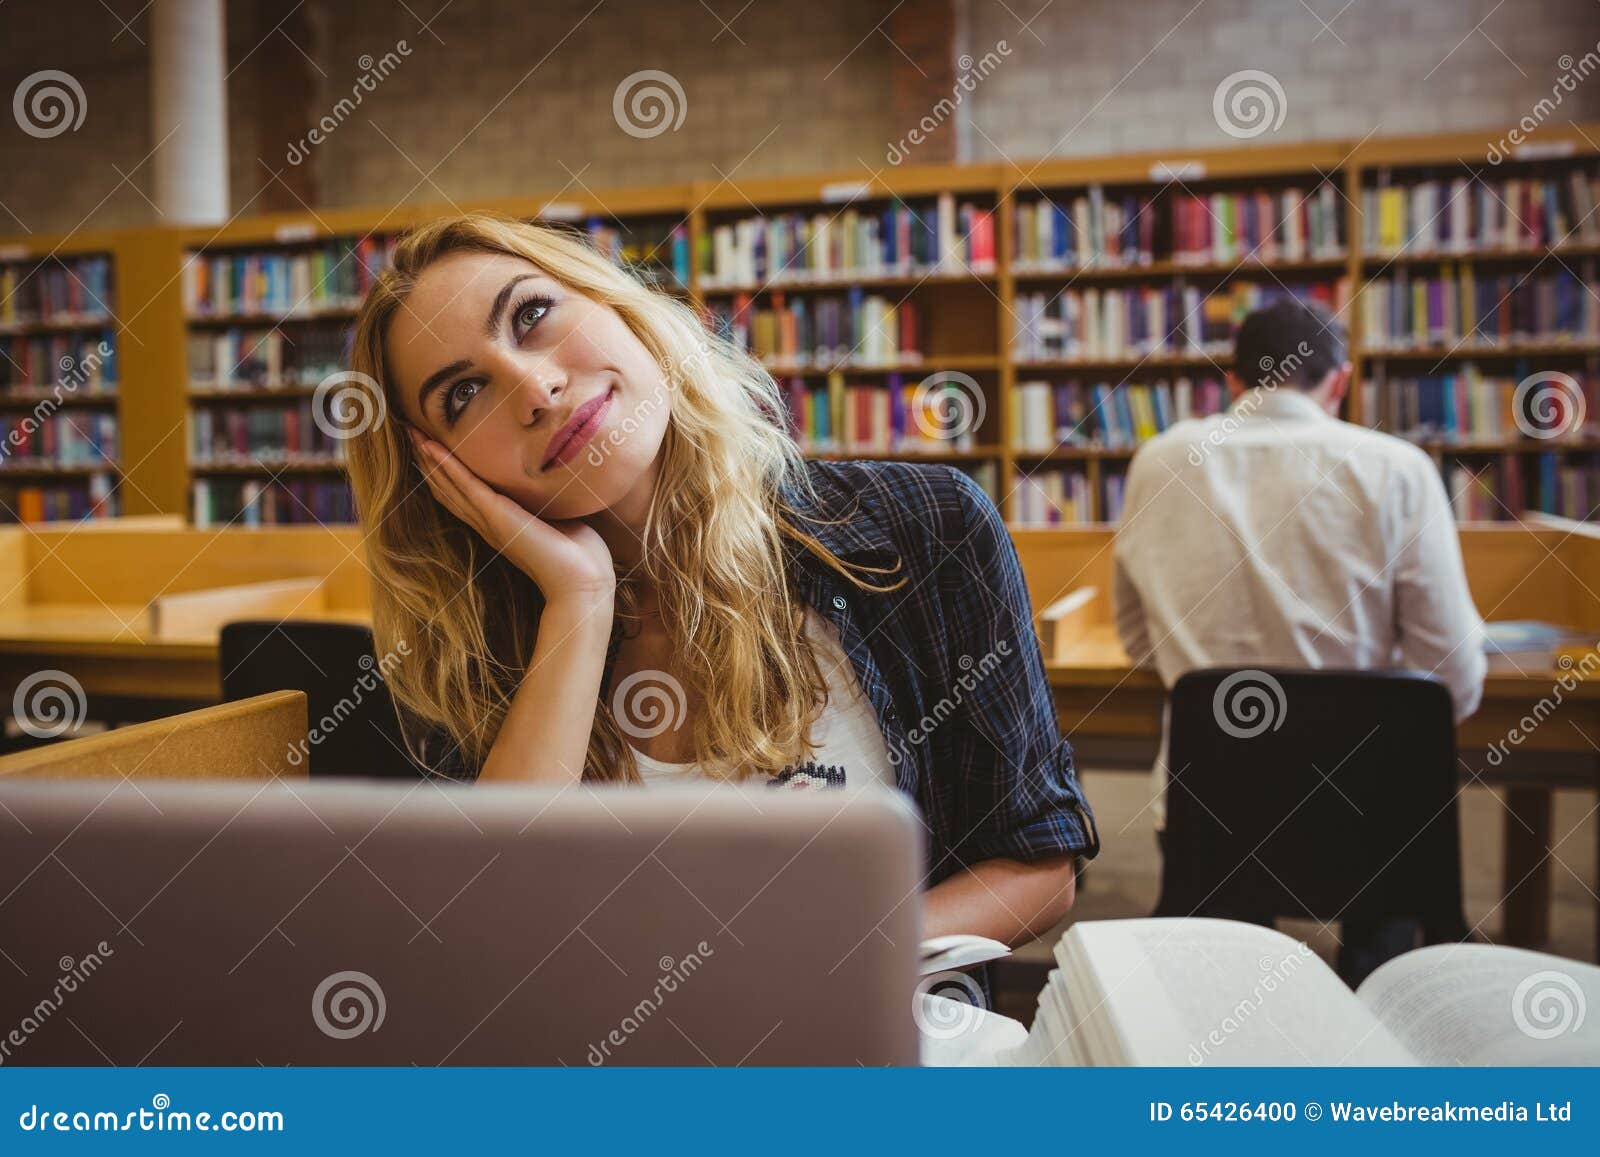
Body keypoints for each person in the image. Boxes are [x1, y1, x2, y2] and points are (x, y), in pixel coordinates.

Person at [343, 212, 1098, 961]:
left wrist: (807, 968)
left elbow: (1038, 861)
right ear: (443, 475)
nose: (535, 387)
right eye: (464, 394)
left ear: (622, 307)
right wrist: (580, 603)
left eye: (533, 313)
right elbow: (491, 944)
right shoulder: (470, 656)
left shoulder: (926, 528)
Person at [1112, 296, 1486, 984]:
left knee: (1225, 990)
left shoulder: (1159, 462)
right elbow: (1453, 678)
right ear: (1340, 380)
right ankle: (1379, 1002)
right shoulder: (1397, 468)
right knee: (1384, 956)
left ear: (1232, 382)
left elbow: (1135, 635)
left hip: (1211, 812)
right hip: (1372, 816)